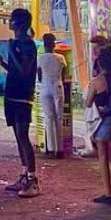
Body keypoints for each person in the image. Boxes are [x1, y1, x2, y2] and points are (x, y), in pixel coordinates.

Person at [1, 7, 39, 197]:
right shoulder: (16, 43)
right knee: (17, 136)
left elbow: (24, 70)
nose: (8, 22)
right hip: (12, 93)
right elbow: (16, 70)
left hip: (23, 96)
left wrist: (11, 51)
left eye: (11, 19)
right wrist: (3, 63)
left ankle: (33, 178)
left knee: (23, 135)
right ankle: (24, 174)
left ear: (18, 24)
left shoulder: (27, 44)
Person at [85, 50, 111, 205]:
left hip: (104, 122)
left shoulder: (97, 81)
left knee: (103, 158)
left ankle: (108, 193)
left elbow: (88, 102)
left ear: (100, 64)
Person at [37, 32, 67, 161]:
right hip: (58, 86)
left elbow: (39, 75)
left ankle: (50, 148)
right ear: (54, 44)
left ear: (44, 45)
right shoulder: (60, 58)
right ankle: (60, 150)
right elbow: (64, 73)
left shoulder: (40, 58)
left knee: (49, 118)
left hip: (45, 87)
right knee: (59, 118)